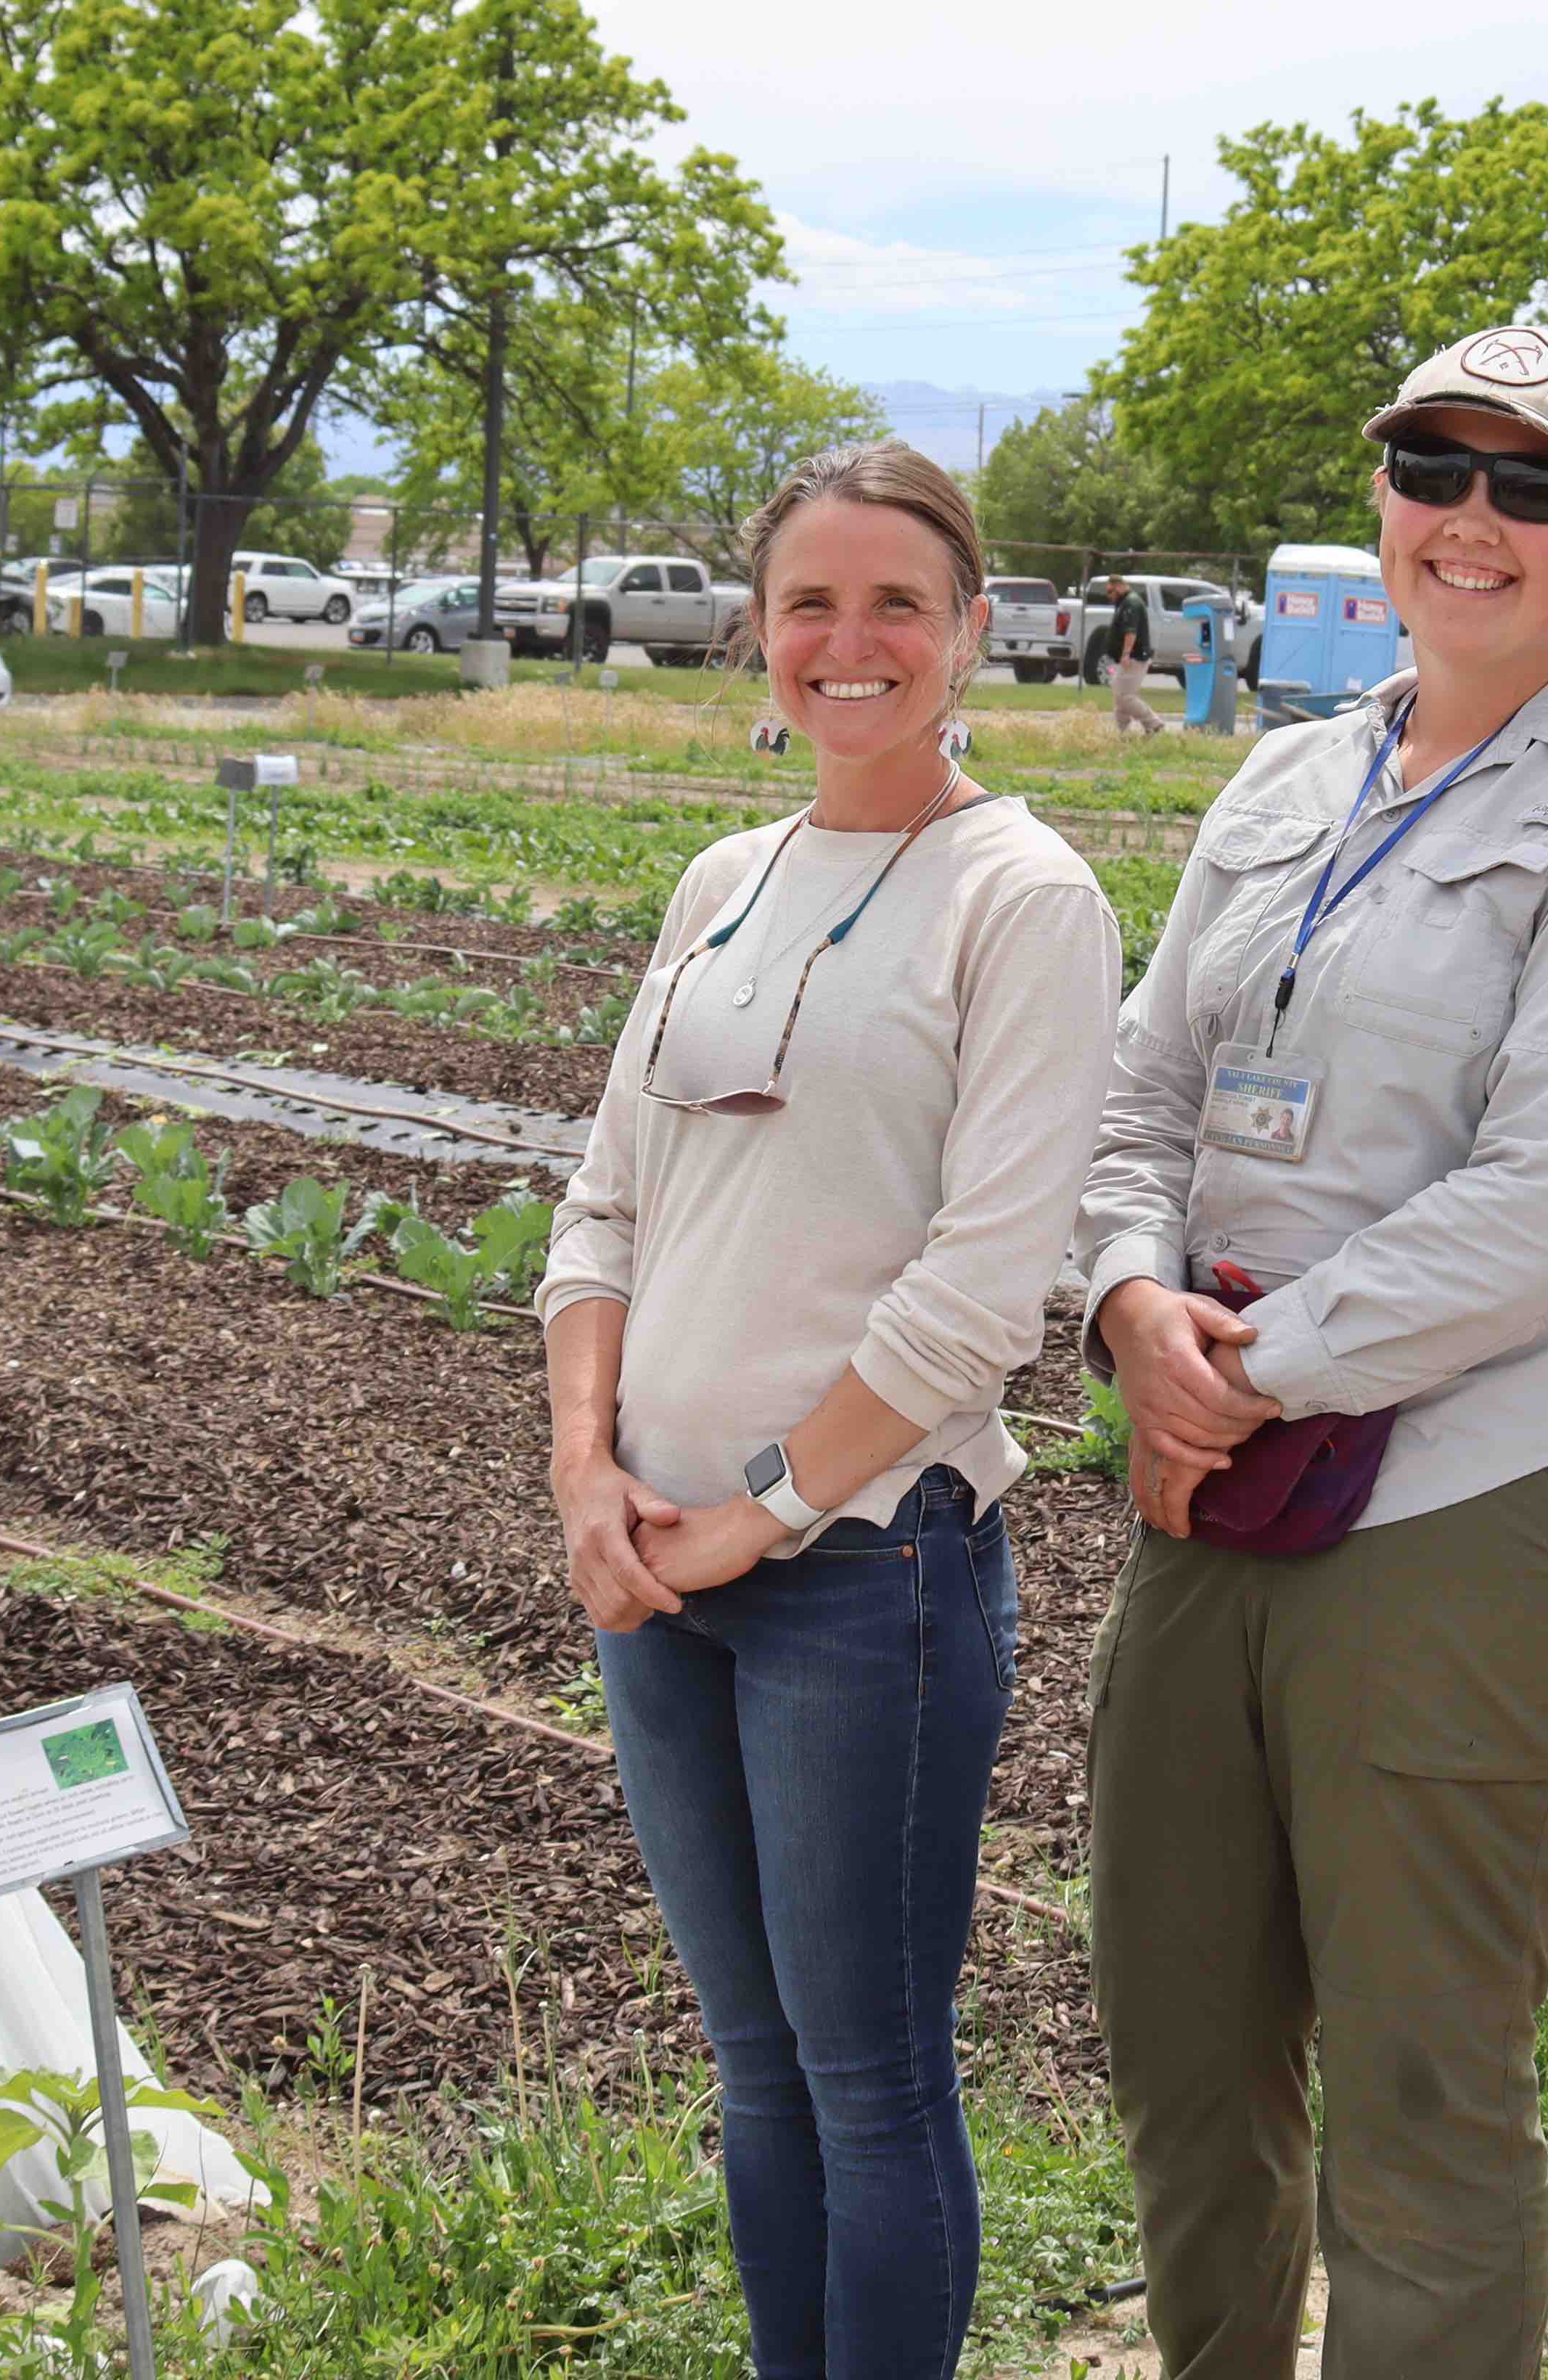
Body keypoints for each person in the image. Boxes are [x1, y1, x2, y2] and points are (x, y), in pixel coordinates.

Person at [1075, 324, 1548, 2379]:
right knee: (1185, 2042)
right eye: (1435, 470)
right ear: (1384, 505)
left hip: (1486, 1486)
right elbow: (1142, 1097)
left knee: (1415, 2087)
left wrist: (1240, 1369)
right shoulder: (1286, 779)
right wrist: (1132, 1308)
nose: (1474, 518)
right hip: (1220, 1464)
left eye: (1532, 487)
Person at [539, 444, 1122, 2380]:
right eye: (811, 604)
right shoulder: (731, 878)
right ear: (758, 635)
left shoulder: (1021, 898)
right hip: (662, 1558)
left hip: (864, 1577)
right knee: (754, 2063)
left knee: (869, 2075)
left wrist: (759, 1515)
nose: (849, 644)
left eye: (898, 606)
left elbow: (983, 1289)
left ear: (973, 635)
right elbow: (605, 1198)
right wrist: (591, 1480)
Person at [1102, 575, 1166, 734]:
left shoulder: (1131, 603)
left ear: (1119, 587)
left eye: (1110, 591)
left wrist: (1126, 654)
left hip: (1134, 658)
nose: (1109, 596)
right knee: (1120, 696)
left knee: (1124, 696)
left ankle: (1154, 724)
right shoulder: (1124, 603)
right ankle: (1123, 732)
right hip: (1129, 658)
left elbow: (1131, 633)